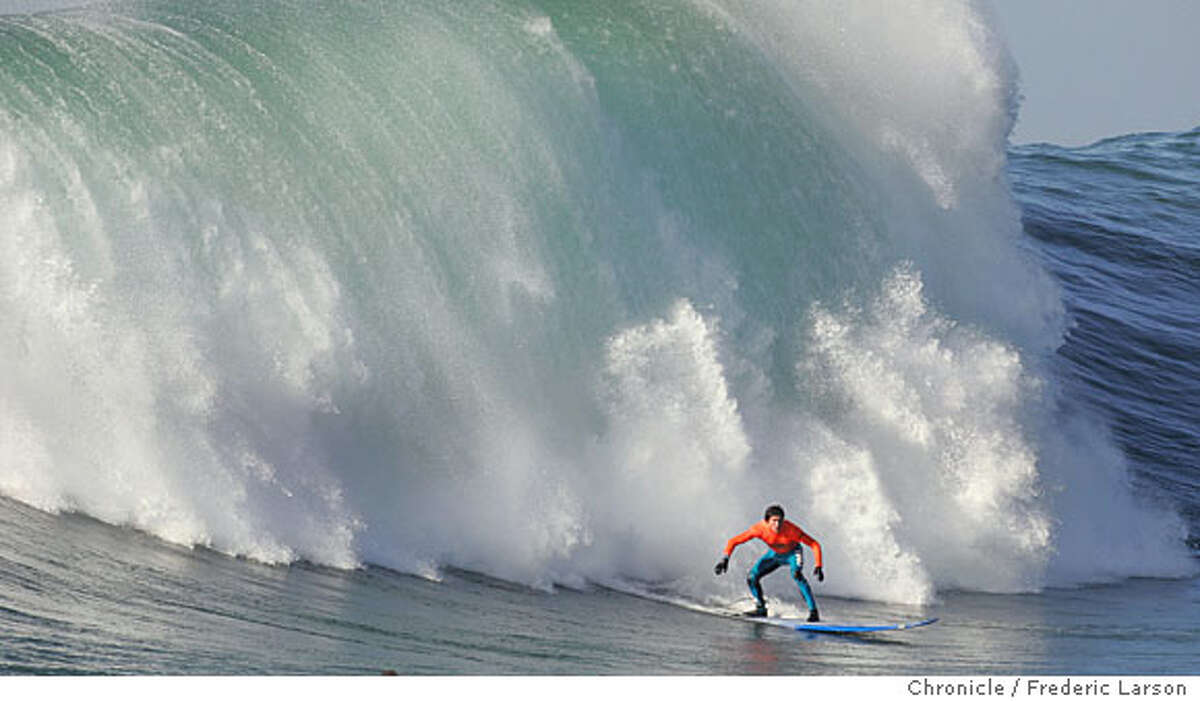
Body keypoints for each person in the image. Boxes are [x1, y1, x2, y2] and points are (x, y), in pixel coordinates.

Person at [714, 504, 824, 620]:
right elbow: (733, 541)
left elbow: (814, 544)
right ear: (767, 521)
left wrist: (818, 565)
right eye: (774, 521)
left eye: (780, 521)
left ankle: (813, 612)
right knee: (752, 577)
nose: (777, 525)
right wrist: (725, 559)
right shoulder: (759, 529)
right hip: (774, 555)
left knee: (796, 575)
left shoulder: (792, 530)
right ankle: (761, 608)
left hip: (792, 554)